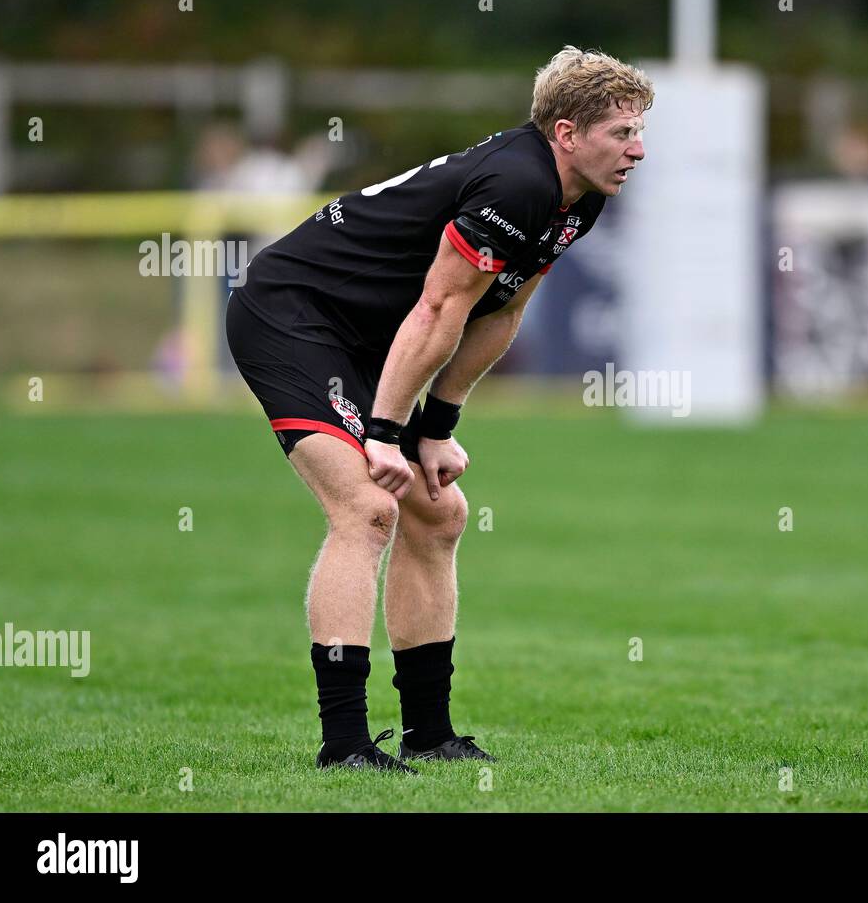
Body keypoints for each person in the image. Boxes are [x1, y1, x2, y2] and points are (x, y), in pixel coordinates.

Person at [225, 47, 653, 771]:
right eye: (621, 133)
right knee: (367, 507)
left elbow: (501, 309)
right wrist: (388, 435)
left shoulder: (584, 197)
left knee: (439, 511)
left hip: (369, 340)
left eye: (641, 131)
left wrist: (436, 429)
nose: (637, 150)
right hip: (294, 316)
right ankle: (344, 744)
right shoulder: (518, 184)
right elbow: (437, 309)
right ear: (567, 134)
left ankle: (430, 732)